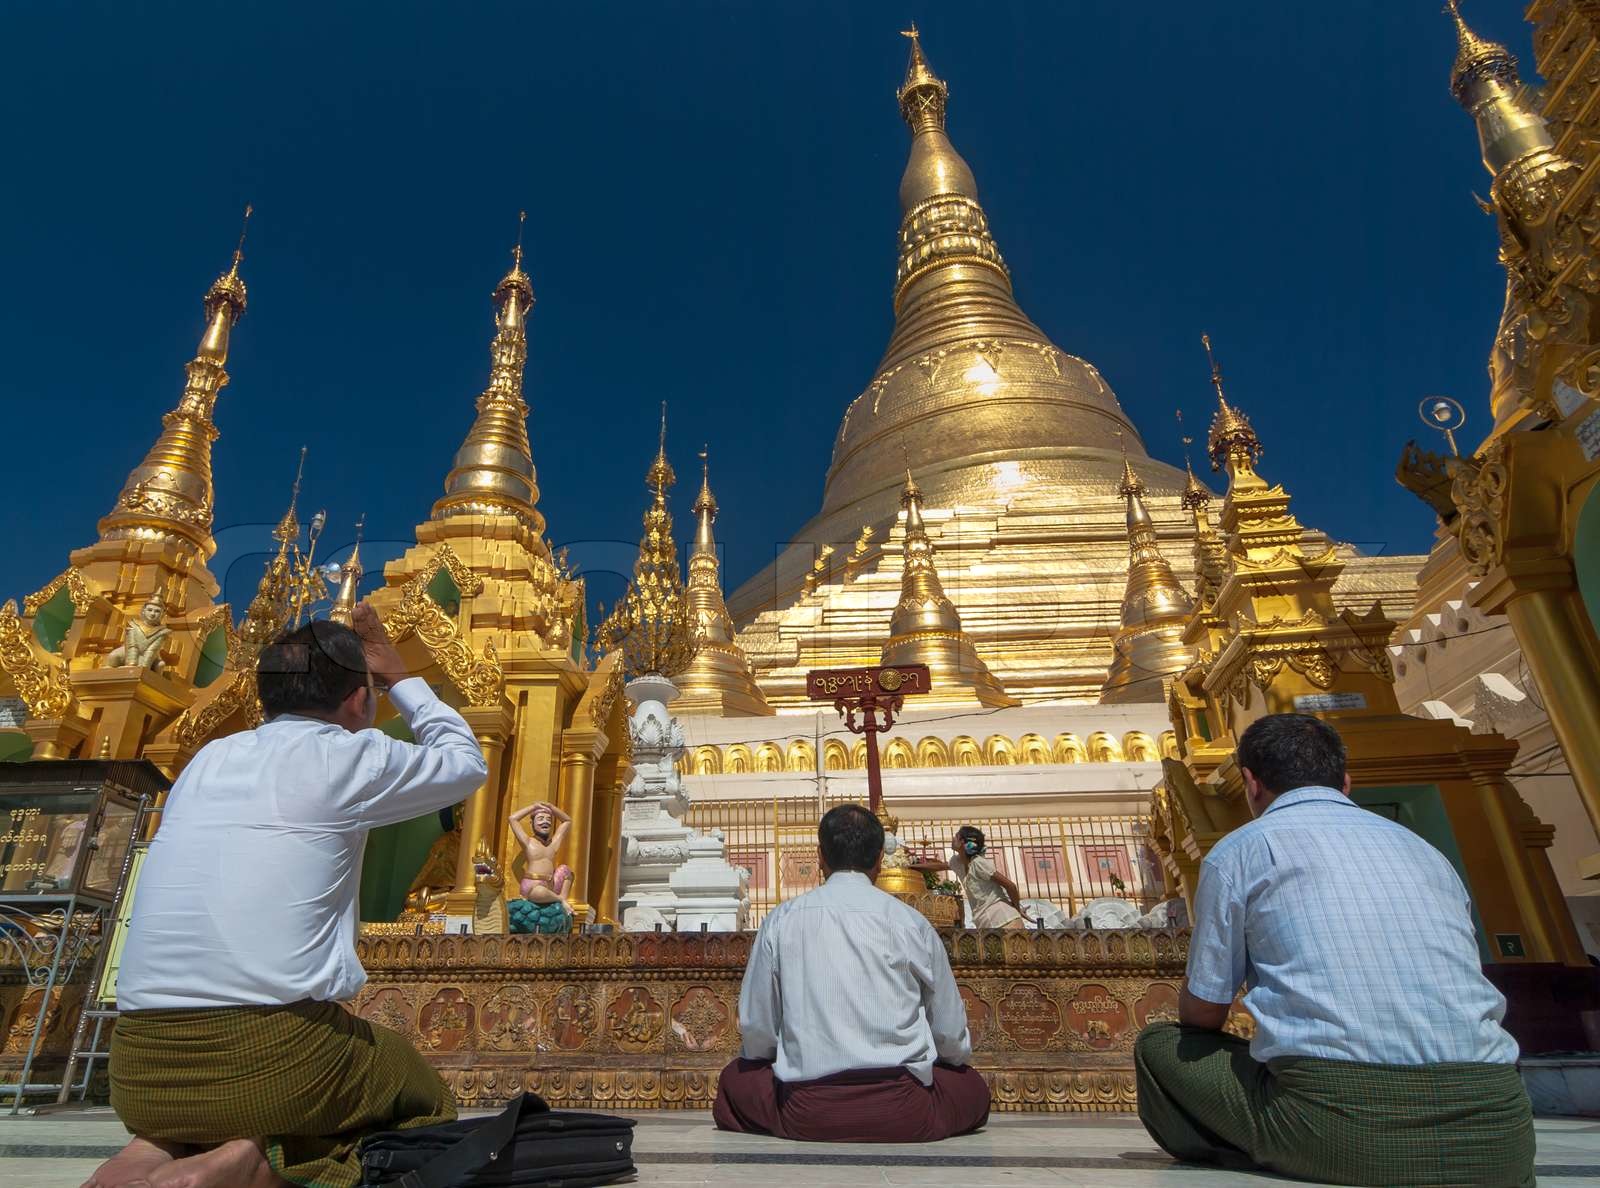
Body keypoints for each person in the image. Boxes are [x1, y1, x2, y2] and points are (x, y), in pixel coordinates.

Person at [87, 605, 488, 1188]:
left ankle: (146, 1152)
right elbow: (466, 763)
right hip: (269, 1057)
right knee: (415, 1093)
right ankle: (255, 1164)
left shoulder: (206, 761)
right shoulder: (353, 756)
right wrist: (400, 675)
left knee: (208, 1093)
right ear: (358, 700)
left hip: (138, 1067)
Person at [1134, 713, 1533, 1187]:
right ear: (1346, 781)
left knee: (1160, 1048)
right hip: (1502, 1129)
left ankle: (1274, 1154)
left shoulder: (1240, 851)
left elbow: (1204, 1014)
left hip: (1345, 1127)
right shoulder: (1425, 852)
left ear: (1250, 782)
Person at [713, 803, 991, 1143]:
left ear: (820, 856)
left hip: (806, 1108)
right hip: (905, 1109)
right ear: (879, 859)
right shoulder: (912, 923)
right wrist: (947, 1063)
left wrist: (777, 1061)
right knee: (972, 1087)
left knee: (733, 1081)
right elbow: (950, 1035)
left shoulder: (781, 920)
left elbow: (757, 1031)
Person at [945, 826, 1025, 929]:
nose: (952, 838)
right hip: (986, 923)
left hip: (1006, 921)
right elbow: (940, 866)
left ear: (962, 842)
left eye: (956, 836)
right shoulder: (958, 862)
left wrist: (1017, 908)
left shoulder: (978, 863)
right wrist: (917, 865)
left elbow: (1010, 886)